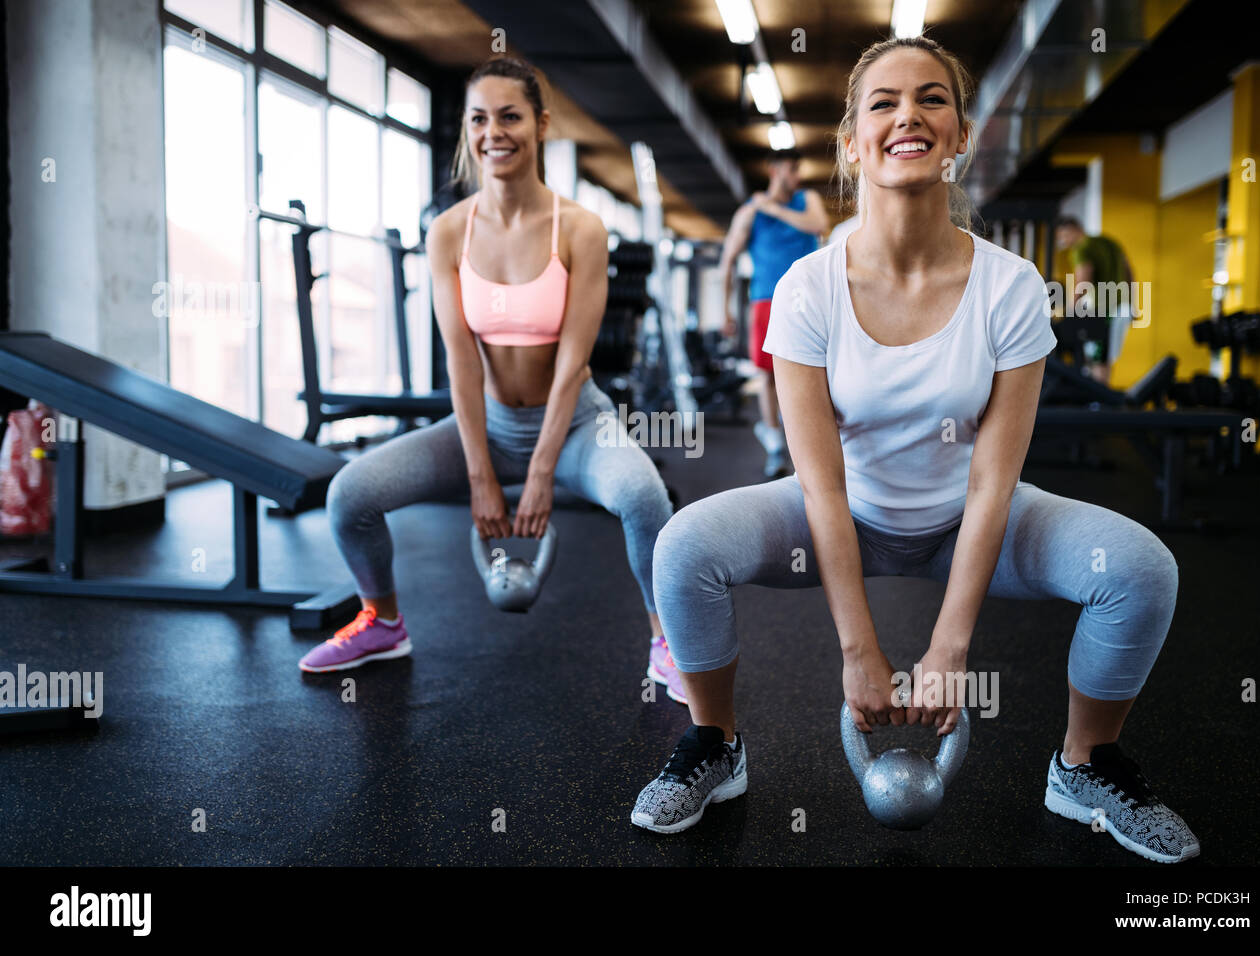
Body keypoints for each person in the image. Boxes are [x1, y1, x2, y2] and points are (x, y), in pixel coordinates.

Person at [632, 35, 1200, 863]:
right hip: (844, 510)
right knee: (683, 546)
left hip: (974, 518)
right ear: (854, 142)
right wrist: (859, 649)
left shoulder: (1008, 287)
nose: (910, 115)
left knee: (1141, 570)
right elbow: (820, 487)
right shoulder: (809, 289)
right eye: (884, 102)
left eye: (933, 99)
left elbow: (993, 484)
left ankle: (1084, 763)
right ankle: (714, 744)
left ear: (961, 134)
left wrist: (948, 648)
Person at [300, 57, 681, 701]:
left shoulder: (581, 229)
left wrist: (540, 475)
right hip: (486, 423)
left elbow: (573, 363)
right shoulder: (449, 231)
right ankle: (382, 621)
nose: (493, 132)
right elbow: (460, 359)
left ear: (540, 124)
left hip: (578, 421)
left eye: (510, 116)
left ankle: (666, 642)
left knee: (644, 501)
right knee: (350, 496)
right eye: (479, 118)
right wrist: (481, 475)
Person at [719, 149, 829, 478]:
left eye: (799, 169)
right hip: (766, 299)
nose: (797, 176)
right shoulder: (749, 214)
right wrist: (725, 310)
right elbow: (727, 261)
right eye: (792, 169)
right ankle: (775, 444)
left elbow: (819, 225)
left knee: (815, 370)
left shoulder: (805, 199)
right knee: (767, 374)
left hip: (807, 298)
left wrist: (774, 209)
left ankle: (812, 444)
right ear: (774, 169)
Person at [1055, 216, 1134, 384]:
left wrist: (1070, 310)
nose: (1063, 242)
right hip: (1123, 307)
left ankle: (1097, 402)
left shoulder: (1081, 248)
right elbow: (1129, 273)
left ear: (1072, 229)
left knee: (1097, 358)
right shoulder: (1110, 242)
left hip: (1102, 310)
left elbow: (1083, 281)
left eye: (1063, 237)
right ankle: (1100, 399)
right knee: (1106, 357)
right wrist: (1132, 304)